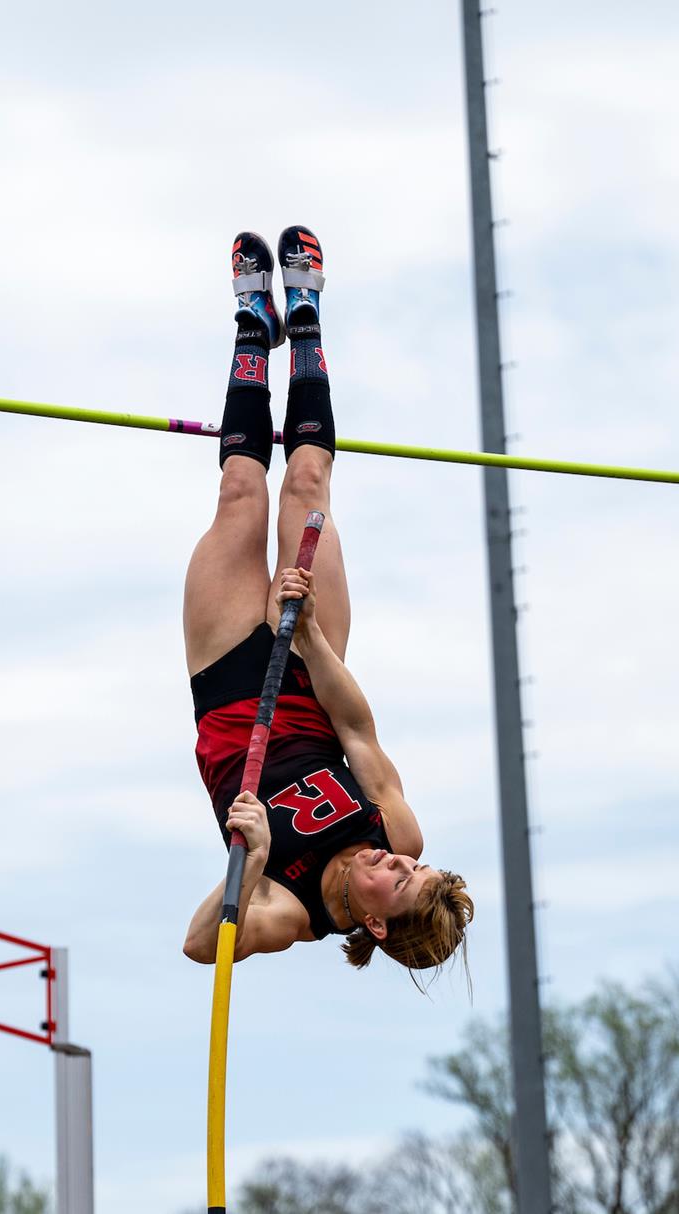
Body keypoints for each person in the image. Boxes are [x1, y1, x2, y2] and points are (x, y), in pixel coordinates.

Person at [179, 227, 473, 977]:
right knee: (306, 488)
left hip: (229, 698)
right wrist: (308, 636)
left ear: (373, 923)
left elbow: (197, 944)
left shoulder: (288, 912)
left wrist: (254, 860)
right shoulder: (399, 829)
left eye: (398, 880)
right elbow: (356, 725)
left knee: (240, 495)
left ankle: (250, 329)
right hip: (314, 676)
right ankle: (303, 317)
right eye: (413, 866)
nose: (396, 860)